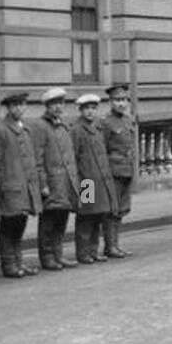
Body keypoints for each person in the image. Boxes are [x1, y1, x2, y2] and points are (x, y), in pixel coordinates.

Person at [0, 91, 42, 278]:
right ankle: (8, 264)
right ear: (8, 108)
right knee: (8, 227)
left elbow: (32, 159)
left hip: (25, 188)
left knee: (20, 225)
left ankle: (18, 261)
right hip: (9, 188)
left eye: (22, 105)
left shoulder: (26, 129)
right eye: (15, 105)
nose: (19, 108)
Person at [33, 88, 80, 270]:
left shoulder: (64, 126)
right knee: (48, 222)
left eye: (60, 103)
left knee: (61, 220)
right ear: (47, 106)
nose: (58, 107)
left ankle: (58, 255)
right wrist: (42, 184)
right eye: (54, 104)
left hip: (66, 183)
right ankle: (47, 257)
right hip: (52, 183)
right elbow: (37, 159)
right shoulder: (40, 127)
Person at [72, 93, 118, 264]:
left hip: (101, 180)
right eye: (87, 109)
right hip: (86, 182)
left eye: (93, 108)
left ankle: (93, 250)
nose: (90, 112)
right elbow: (74, 158)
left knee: (98, 216)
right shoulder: (77, 130)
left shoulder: (99, 128)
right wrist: (78, 181)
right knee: (85, 218)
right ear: (81, 110)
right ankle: (83, 252)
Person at [100, 83, 137, 258]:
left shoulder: (128, 120)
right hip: (113, 172)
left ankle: (115, 244)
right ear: (110, 102)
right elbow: (102, 149)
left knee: (122, 209)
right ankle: (110, 246)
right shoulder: (106, 123)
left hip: (127, 170)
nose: (121, 104)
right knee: (111, 211)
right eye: (117, 100)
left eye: (124, 100)